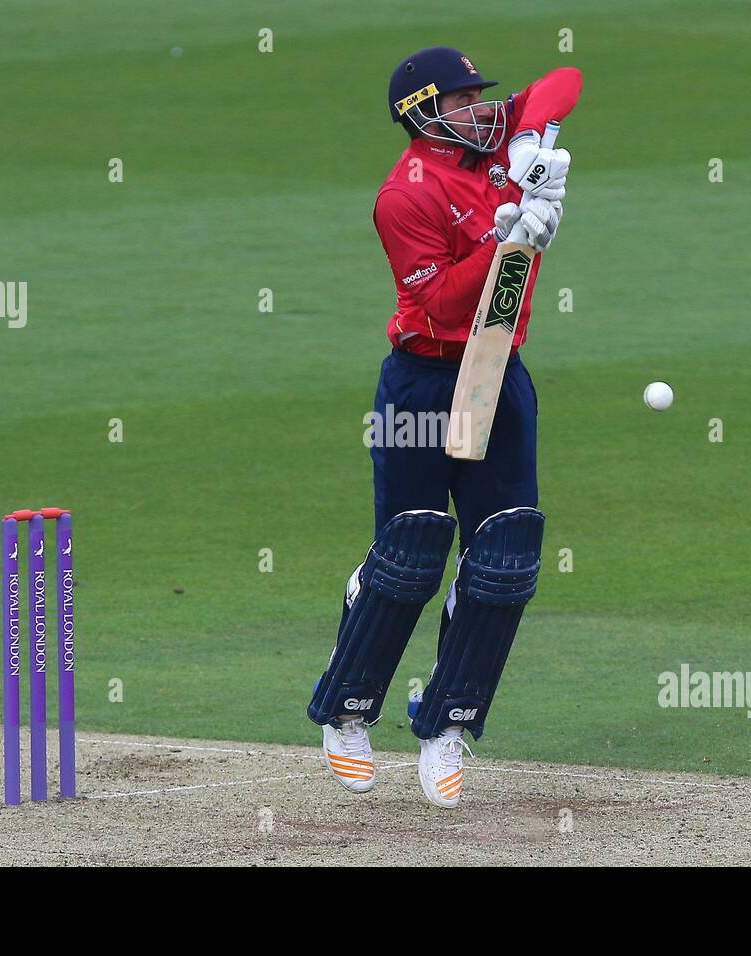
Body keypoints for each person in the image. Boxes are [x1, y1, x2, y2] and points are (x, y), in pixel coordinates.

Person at [307, 46, 582, 807]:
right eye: (463, 99)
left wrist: (528, 148)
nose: (481, 108)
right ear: (423, 112)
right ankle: (348, 711)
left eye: (479, 96)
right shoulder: (404, 198)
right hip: (426, 377)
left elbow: (565, 83)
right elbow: (448, 306)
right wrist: (515, 234)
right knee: (411, 553)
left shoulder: (497, 147)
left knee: (505, 555)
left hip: (498, 374)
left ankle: (447, 725)